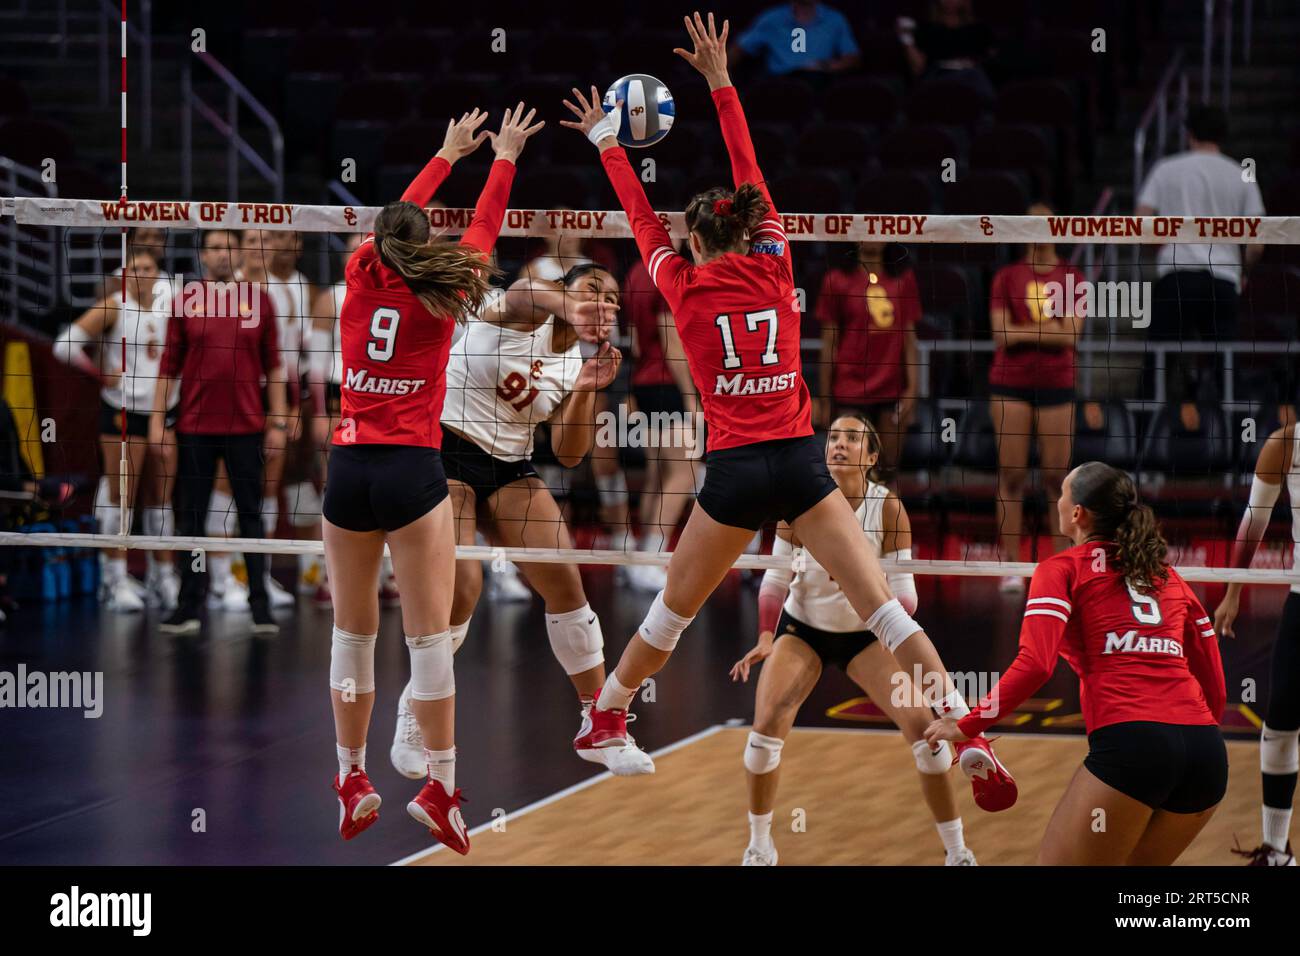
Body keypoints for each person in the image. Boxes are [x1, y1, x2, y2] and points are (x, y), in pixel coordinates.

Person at [561, 12, 1015, 812]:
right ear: (746, 229)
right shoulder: (776, 266)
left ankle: (606, 716)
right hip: (801, 459)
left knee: (674, 608)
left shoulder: (682, 283)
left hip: (736, 469)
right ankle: (965, 725)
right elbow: (752, 167)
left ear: (695, 243)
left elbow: (640, 218)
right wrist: (721, 80)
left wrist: (607, 143)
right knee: (878, 605)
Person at [321, 105, 541, 852]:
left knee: (352, 633)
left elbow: (397, 222)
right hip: (413, 471)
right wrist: (503, 154)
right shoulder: (449, 289)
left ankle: (351, 775)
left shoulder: (358, 271)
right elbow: (485, 223)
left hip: (349, 466)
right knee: (427, 642)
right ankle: (441, 789)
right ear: (425, 247)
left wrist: (443, 152)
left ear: (377, 244)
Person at [389, 262, 654, 779]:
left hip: (509, 466)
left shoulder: (577, 359)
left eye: (612, 298)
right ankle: (414, 711)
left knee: (564, 578)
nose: (604, 303)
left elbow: (570, 454)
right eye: (591, 291)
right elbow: (523, 290)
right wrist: (569, 305)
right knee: (461, 586)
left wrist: (586, 387)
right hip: (445, 451)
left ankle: (598, 723)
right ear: (565, 291)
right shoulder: (518, 308)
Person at [927, 462, 1228, 865]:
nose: (1057, 500)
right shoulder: (1168, 576)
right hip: (1206, 756)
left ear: (1077, 513)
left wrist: (967, 725)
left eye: (1062, 493)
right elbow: (1216, 690)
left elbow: (1035, 665)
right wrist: (1189, 747)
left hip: (1133, 747)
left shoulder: (1061, 568)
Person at [732, 415, 976, 866]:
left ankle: (958, 851)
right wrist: (767, 633)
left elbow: (906, 596)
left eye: (852, 438)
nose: (839, 444)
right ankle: (760, 845)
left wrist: (867, 596)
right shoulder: (800, 504)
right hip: (802, 629)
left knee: (927, 739)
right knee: (764, 731)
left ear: (872, 457)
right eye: (834, 437)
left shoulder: (887, 508)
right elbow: (775, 577)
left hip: (869, 637)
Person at [151, 230, 287, 636]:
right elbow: (167, 367)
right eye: (213, 247)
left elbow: (275, 366)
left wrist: (278, 421)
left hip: (246, 427)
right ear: (202, 255)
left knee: (251, 517)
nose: (222, 254)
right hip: (194, 427)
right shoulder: (185, 301)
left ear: (238, 253)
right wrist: (158, 421)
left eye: (229, 246)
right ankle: (188, 604)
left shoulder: (259, 301)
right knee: (190, 518)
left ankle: (259, 603)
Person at [55, 245, 181, 611]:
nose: (142, 274)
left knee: (161, 500)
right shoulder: (114, 305)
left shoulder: (169, 307)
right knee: (120, 495)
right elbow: (65, 345)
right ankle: (114, 579)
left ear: (157, 274)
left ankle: (163, 577)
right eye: (135, 268)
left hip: (161, 413)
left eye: (148, 268)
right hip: (121, 413)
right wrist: (100, 376)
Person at [1136, 105, 1267, 432]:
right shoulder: (1241, 173)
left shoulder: (1166, 169)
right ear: (1222, 135)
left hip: (1176, 279)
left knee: (1157, 366)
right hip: (1221, 282)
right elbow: (1258, 241)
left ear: (1188, 133)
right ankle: (1238, 461)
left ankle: (1139, 456)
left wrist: (1158, 249)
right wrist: (1243, 272)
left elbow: (1141, 222)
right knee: (1227, 370)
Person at [988, 203, 1086, 592]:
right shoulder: (1006, 277)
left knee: (1056, 480)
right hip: (1009, 384)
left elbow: (1072, 335)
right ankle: (1009, 566)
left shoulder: (1072, 276)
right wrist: (1050, 328)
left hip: (1057, 384)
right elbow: (1001, 336)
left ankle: (1060, 569)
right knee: (1010, 476)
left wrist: (1023, 329)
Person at [1215, 425, 1300, 866]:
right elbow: (1255, 519)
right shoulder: (1285, 444)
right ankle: (1276, 850)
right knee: (1281, 718)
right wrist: (1234, 589)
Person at [624, 255, 700, 592]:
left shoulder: (636, 271)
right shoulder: (669, 272)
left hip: (644, 380)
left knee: (658, 475)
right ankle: (652, 558)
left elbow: (637, 342)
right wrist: (690, 397)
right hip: (668, 383)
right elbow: (671, 340)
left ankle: (641, 562)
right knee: (684, 472)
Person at [814, 241, 919, 481]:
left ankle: (886, 520)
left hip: (891, 389)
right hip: (849, 390)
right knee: (850, 473)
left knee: (888, 472)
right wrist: (824, 397)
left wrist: (913, 390)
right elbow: (829, 342)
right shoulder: (836, 280)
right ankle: (850, 520)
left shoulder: (903, 280)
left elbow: (910, 339)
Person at [730, 1, 861, 77]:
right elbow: (739, 48)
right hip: (780, 85)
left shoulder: (835, 19)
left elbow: (852, 57)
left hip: (821, 81)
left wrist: (827, 67)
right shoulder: (771, 19)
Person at [899, 0, 995, 98]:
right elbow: (918, 69)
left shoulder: (979, 29)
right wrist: (906, 39)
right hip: (938, 76)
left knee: (975, 76)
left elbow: (989, 59)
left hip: (971, 78)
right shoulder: (926, 28)